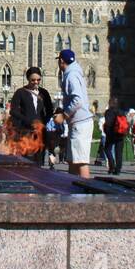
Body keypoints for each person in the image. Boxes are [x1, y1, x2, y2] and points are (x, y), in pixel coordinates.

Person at [57, 49, 93, 178]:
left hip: (80, 123)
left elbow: (78, 100)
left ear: (61, 61)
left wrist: (64, 115)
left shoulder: (71, 76)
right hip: (77, 122)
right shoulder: (73, 73)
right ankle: (71, 188)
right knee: (72, 160)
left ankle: (87, 191)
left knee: (81, 162)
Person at [9, 67, 54, 165]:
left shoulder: (44, 93)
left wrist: (42, 122)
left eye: (38, 80)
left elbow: (50, 110)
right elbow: (13, 111)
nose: (36, 82)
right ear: (28, 79)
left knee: (39, 161)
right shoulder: (20, 92)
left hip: (39, 133)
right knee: (26, 161)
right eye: (33, 80)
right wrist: (27, 121)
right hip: (25, 132)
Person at [103, 98, 127, 175]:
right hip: (120, 134)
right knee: (119, 152)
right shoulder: (121, 112)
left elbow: (108, 123)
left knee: (107, 149)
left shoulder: (109, 112)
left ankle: (112, 165)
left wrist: (106, 131)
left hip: (111, 134)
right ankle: (118, 169)